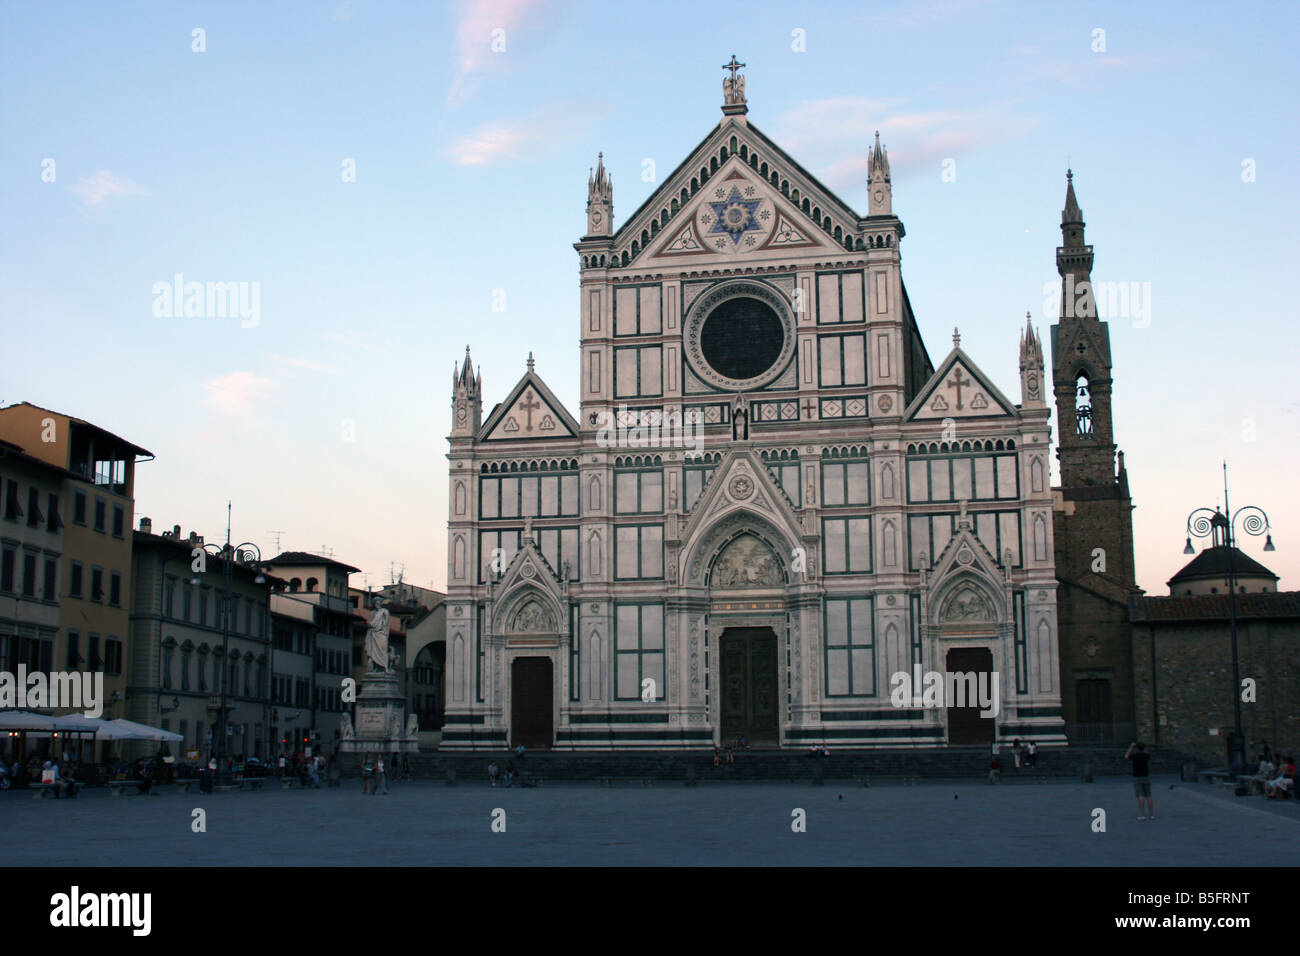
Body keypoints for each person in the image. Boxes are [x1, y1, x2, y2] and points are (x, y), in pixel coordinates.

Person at [1126, 741, 1153, 820]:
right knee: (1149, 795)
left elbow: (1126, 756)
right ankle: (1151, 815)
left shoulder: (1135, 756)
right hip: (1146, 776)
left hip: (1137, 777)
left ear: (1137, 748)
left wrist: (1131, 747)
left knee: (1140, 796)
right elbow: (1147, 753)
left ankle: (1143, 815)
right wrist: (1143, 747)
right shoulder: (1146, 755)